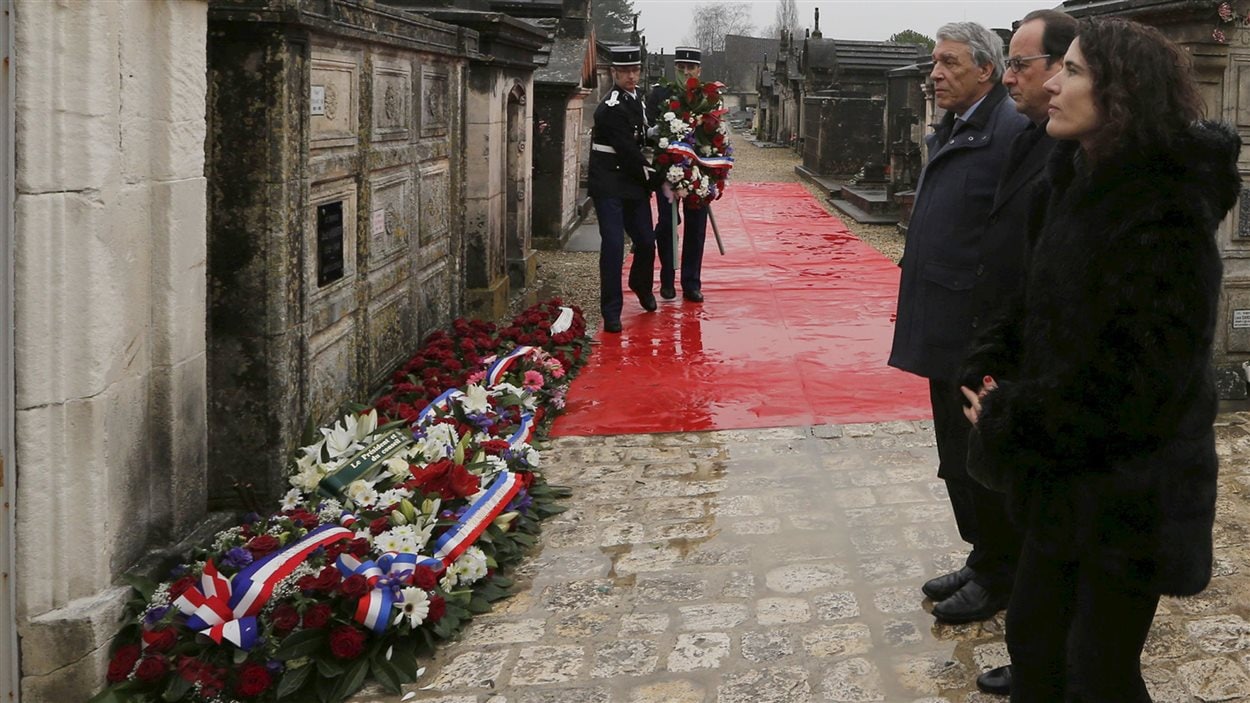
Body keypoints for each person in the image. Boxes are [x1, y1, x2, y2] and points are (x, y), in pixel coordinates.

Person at [960, 17, 1238, 701]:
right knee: (1033, 636)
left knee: (1098, 668)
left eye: (1073, 70)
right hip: (1067, 476)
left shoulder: (1164, 213)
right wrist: (993, 355)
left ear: (1123, 93)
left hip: (1131, 495)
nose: (1051, 83)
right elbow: (1038, 295)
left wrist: (1009, 414)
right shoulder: (1076, 179)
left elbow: (1141, 384)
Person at [887, 22, 1029, 624]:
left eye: (948, 63)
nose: (935, 73)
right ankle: (982, 553)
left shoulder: (1011, 134)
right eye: (934, 62)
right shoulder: (956, 124)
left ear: (987, 71)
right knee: (953, 450)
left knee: (979, 452)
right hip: (942, 315)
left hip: (974, 326)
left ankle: (1001, 571)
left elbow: (1010, 241)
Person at [970, 8, 1077, 696]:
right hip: (1024, 371)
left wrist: (1023, 402)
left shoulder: (1110, 183)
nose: (1010, 76)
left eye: (1022, 63)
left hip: (1066, 418)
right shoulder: (1040, 142)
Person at [589, 46, 657, 333]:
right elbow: (628, 151)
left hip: (631, 183)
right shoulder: (611, 108)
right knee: (614, 245)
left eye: (635, 70)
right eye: (626, 72)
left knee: (645, 241)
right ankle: (612, 309)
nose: (631, 76)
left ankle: (640, 285)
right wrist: (656, 176)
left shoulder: (637, 98)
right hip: (610, 182)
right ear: (614, 73)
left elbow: (643, 133)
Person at [647, 46, 710, 303]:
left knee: (696, 227)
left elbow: (714, 131)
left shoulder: (706, 98)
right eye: (681, 68)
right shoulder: (660, 94)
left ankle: (691, 282)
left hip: (698, 172)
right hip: (667, 170)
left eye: (690, 68)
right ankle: (667, 279)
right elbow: (649, 129)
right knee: (666, 225)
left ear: (699, 70)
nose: (685, 72)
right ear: (675, 69)